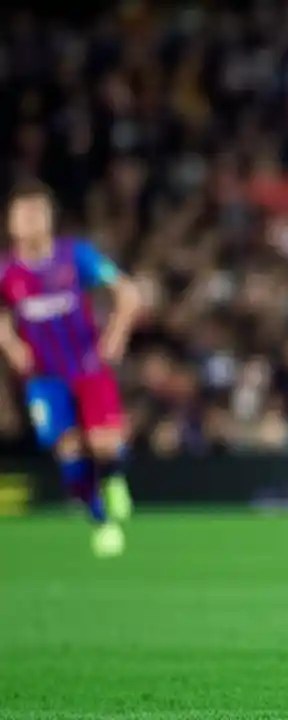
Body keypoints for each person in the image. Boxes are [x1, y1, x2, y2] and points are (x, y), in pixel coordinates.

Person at [0, 179, 141, 557]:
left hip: (88, 367)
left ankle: (113, 477)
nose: (30, 221)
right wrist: (11, 344)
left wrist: (117, 335)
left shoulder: (76, 256)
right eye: (22, 215)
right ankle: (102, 524)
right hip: (44, 379)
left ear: (49, 217)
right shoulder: (7, 273)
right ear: (11, 224)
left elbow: (128, 292)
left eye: (37, 213)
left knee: (104, 443)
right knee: (69, 450)